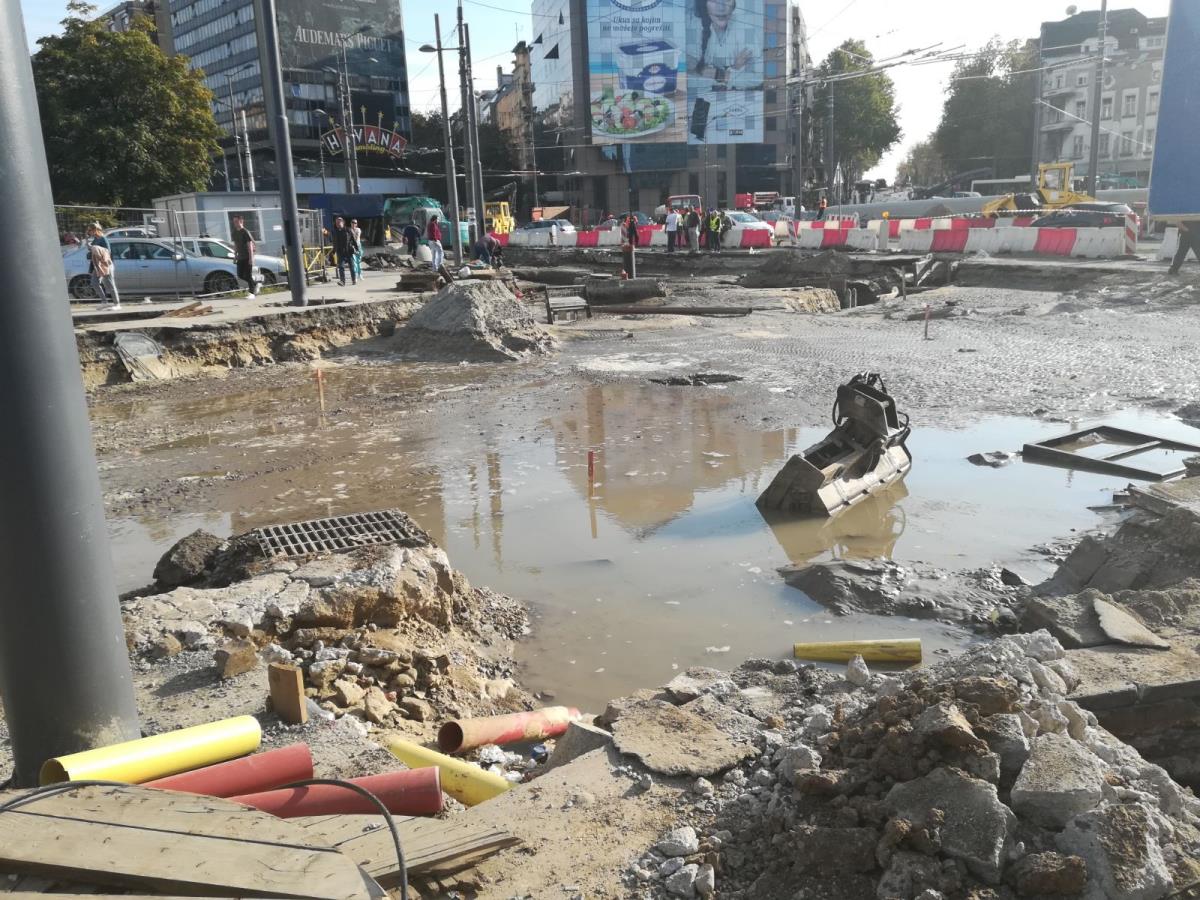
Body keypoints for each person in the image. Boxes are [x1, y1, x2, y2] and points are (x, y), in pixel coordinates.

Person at [86, 222, 120, 309]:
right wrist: (90, 247)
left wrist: (94, 249)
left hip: (105, 265)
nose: (88, 232)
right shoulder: (95, 239)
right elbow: (93, 252)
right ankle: (104, 302)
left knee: (110, 284)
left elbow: (107, 252)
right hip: (97, 265)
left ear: (95, 230)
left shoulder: (103, 239)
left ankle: (117, 304)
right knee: (94, 282)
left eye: (90, 230)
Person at [231, 214, 257, 298]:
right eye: (234, 221)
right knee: (240, 275)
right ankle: (255, 284)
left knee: (248, 275)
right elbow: (236, 245)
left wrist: (251, 258)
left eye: (236, 221)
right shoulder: (234, 232)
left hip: (247, 256)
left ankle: (252, 293)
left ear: (241, 221)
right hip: (240, 257)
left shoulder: (245, 232)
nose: (235, 223)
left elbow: (250, 245)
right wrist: (235, 256)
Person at [331, 216, 357, 286]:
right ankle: (342, 281)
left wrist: (356, 249)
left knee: (351, 266)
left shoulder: (348, 230)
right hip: (340, 252)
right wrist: (333, 251)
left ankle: (354, 279)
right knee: (341, 267)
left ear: (343, 223)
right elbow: (334, 242)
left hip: (348, 251)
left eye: (339, 222)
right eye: (337, 222)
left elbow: (353, 240)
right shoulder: (334, 231)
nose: (338, 224)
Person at [349, 218, 363, 282]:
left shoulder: (358, 230)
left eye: (355, 223)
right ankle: (355, 276)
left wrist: (356, 247)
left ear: (356, 224)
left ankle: (360, 274)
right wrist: (352, 247)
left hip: (358, 246)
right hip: (352, 247)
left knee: (359, 261)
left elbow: (357, 238)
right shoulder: (349, 230)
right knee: (354, 262)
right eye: (352, 222)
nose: (354, 224)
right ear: (351, 223)